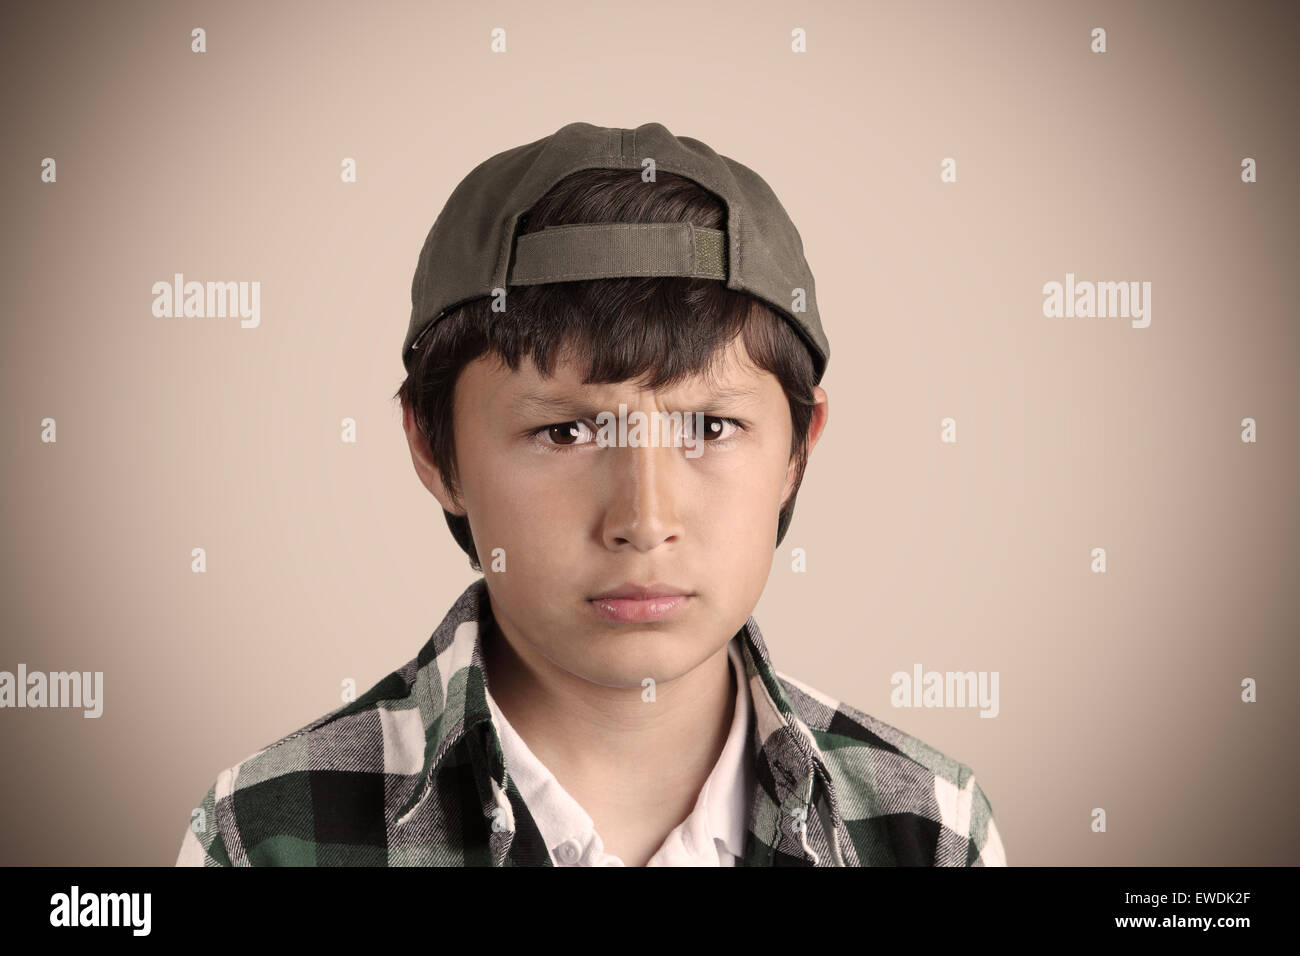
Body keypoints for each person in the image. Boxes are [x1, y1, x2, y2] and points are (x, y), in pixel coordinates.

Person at [175, 121, 1006, 866]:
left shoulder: (929, 830)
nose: (644, 522)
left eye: (709, 428)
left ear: (798, 451)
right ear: (436, 452)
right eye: (566, 433)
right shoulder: (263, 837)